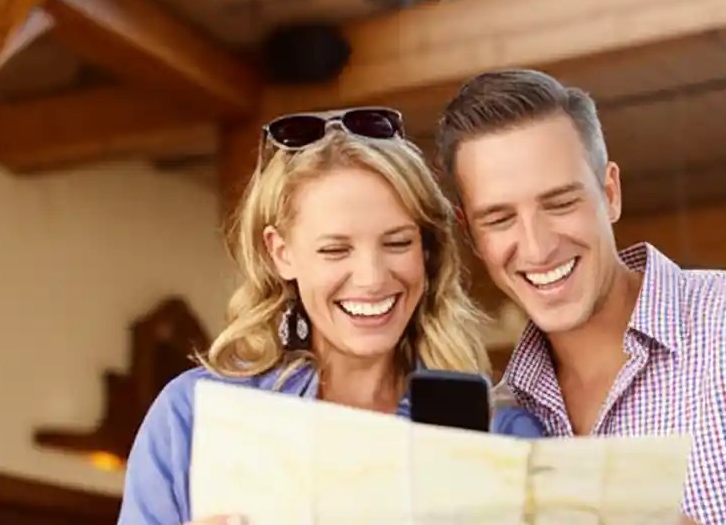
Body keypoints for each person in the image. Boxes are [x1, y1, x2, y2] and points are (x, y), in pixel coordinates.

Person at [435, 68, 726, 524]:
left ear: (610, 192)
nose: (537, 247)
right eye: (499, 219)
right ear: (471, 234)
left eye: (560, 203)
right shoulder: (500, 420)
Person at [118, 107, 544, 525]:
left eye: (397, 243)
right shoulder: (192, 418)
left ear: (426, 250)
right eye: (335, 250)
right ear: (281, 253)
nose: (373, 278)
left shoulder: (501, 435)